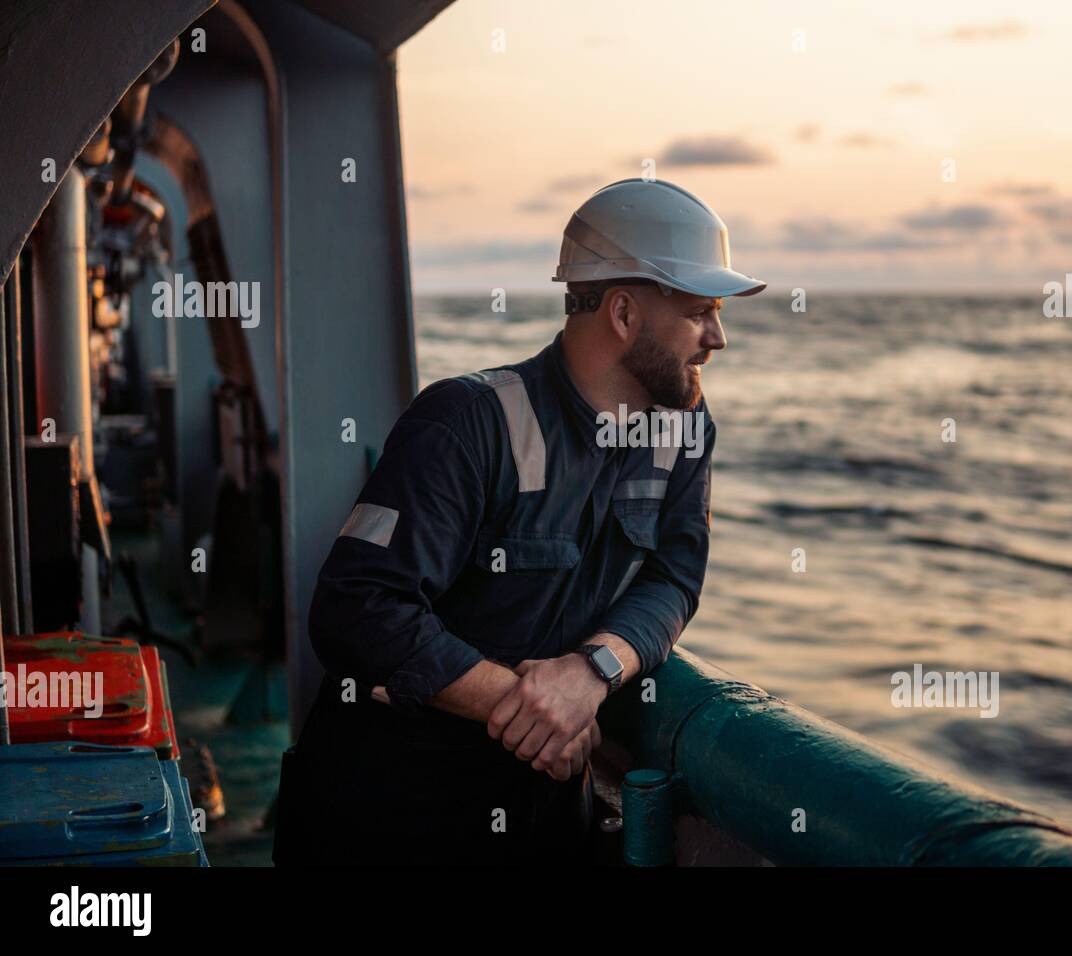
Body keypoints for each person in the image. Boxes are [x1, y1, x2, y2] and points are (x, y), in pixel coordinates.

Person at [274, 178, 765, 866]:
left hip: (541, 818)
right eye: (702, 311)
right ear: (623, 312)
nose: (718, 338)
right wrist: (530, 703)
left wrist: (592, 673)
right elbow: (356, 608)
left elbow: (674, 575)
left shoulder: (684, 427)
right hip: (388, 817)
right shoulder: (466, 423)